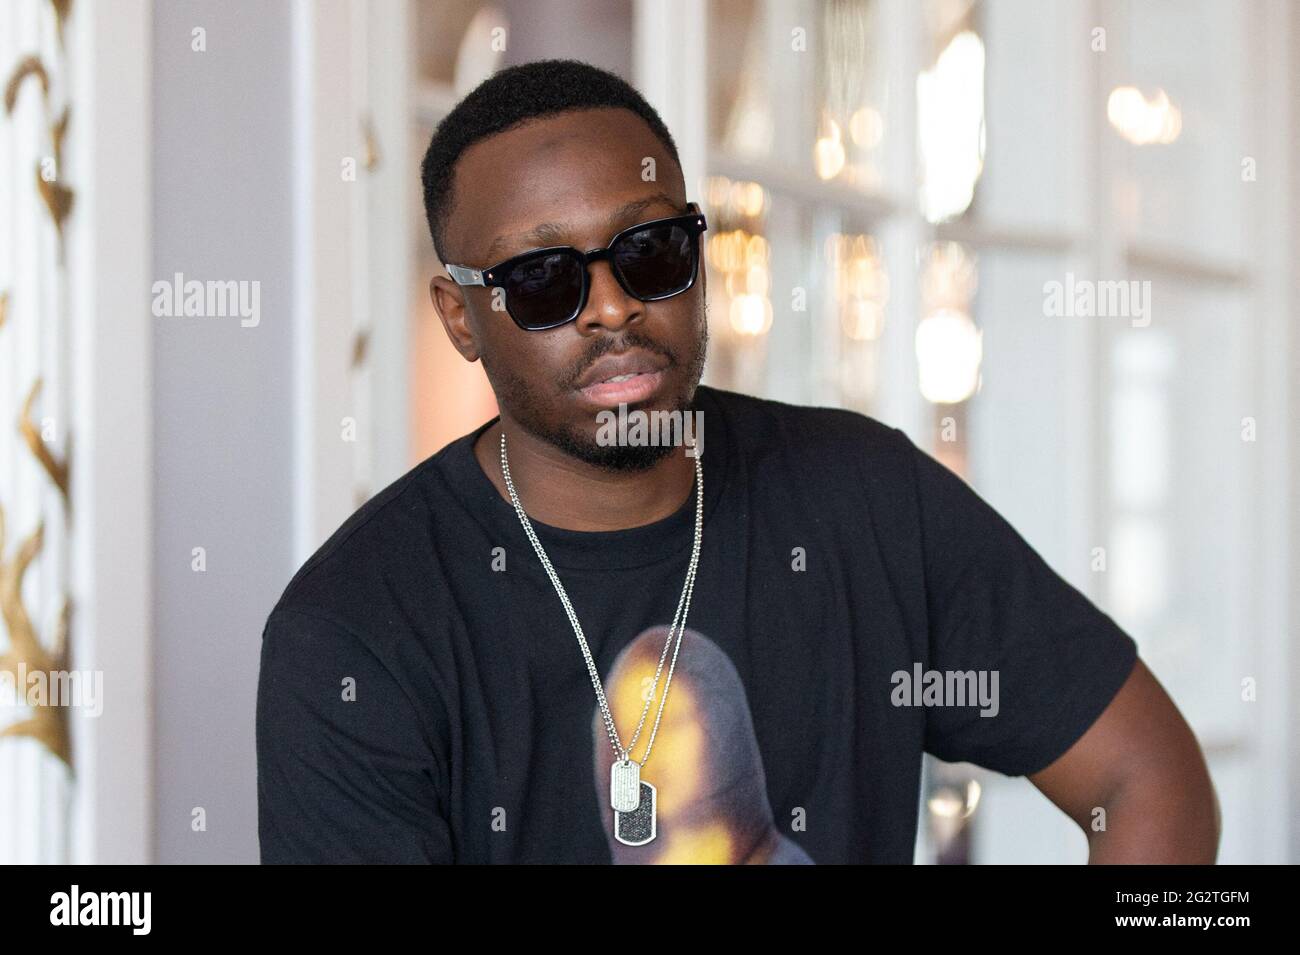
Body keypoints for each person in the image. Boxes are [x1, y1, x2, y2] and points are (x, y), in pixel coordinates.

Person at [256, 58, 1218, 864]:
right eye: (540, 279)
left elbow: (1145, 780)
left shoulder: (866, 497)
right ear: (461, 317)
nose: (613, 306)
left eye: (651, 249)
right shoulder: (355, 631)